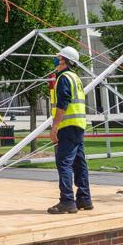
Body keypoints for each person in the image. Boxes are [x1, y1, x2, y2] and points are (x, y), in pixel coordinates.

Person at [48, 45, 91, 213]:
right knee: (79, 163)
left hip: (67, 126)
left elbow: (63, 103)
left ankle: (67, 201)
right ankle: (84, 199)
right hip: (78, 126)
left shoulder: (64, 78)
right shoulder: (75, 77)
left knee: (63, 163)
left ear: (64, 61)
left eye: (58, 58)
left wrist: (55, 126)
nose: (55, 61)